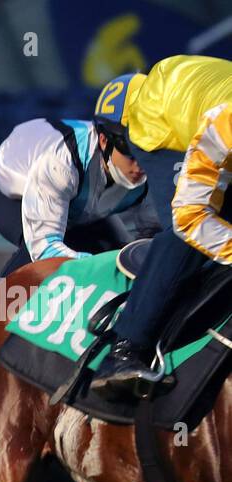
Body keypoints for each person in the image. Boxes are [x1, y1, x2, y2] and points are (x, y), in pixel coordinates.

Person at [91, 56, 232, 391]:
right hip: (162, 121)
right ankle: (126, 349)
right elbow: (190, 219)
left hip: (197, 94)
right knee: (185, 236)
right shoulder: (225, 126)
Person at [0, 113, 156, 281]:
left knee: (124, 257)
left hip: (74, 198)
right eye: (130, 152)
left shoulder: (155, 167)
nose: (140, 165)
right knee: (38, 256)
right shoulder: (61, 162)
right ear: (103, 140)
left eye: (148, 151)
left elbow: (153, 246)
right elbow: (43, 249)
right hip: (10, 187)